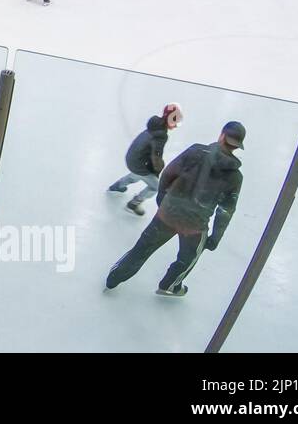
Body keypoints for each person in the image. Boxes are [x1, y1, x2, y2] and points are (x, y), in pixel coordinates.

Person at [105, 122, 246, 297]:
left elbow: (168, 174)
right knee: (187, 259)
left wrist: (163, 200)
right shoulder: (235, 177)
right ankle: (170, 286)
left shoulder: (195, 151)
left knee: (142, 248)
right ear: (237, 146)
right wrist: (215, 237)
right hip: (194, 226)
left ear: (222, 136)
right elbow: (226, 210)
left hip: (168, 214)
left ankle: (114, 277)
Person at [108, 104, 183, 216]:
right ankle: (134, 204)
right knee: (155, 187)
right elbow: (156, 156)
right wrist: (157, 170)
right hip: (138, 164)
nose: (176, 125)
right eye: (174, 120)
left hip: (132, 158)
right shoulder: (161, 135)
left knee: (136, 175)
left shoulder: (154, 126)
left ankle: (117, 186)